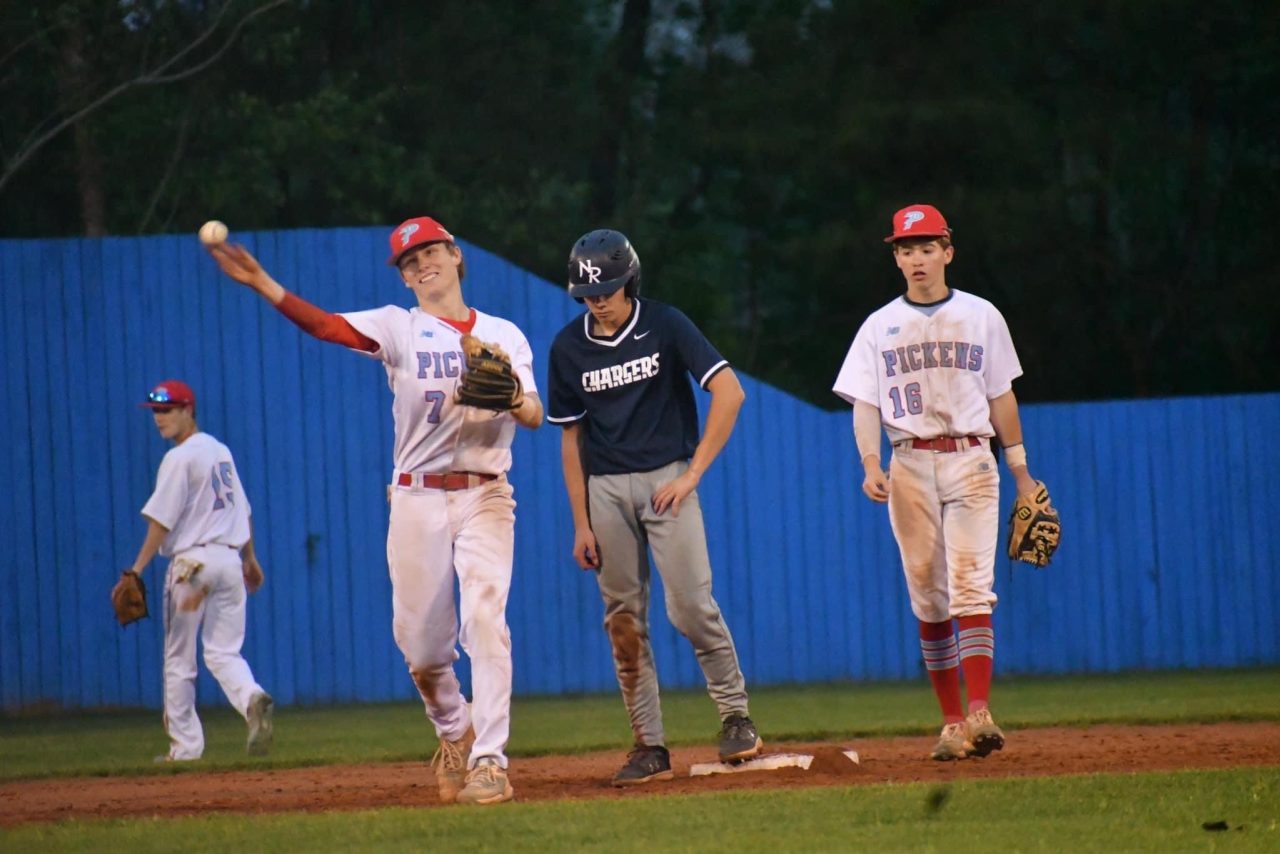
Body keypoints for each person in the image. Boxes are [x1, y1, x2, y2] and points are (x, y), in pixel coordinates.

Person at [206, 217, 541, 806]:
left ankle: (491, 760)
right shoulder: (399, 327)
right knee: (421, 649)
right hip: (415, 497)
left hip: (486, 492)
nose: (421, 264)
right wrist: (266, 284)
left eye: (431, 251)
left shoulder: (503, 333)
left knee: (486, 619)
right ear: (405, 277)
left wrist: (512, 395)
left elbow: (535, 413)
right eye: (410, 261)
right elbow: (329, 327)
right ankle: (453, 731)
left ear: (456, 255)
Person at [547, 229, 762, 787]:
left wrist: (692, 473)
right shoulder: (568, 348)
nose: (599, 300)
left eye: (610, 289)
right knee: (623, 620)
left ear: (631, 281)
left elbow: (731, 391)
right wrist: (580, 522)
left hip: (668, 477)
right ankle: (649, 745)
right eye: (589, 293)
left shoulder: (665, 324)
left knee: (690, 608)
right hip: (605, 491)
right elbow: (570, 440)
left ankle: (736, 716)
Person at [833, 203, 1042, 761]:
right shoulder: (879, 326)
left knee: (972, 584)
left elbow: (1002, 397)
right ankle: (951, 724)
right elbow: (864, 402)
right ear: (896, 258)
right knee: (928, 594)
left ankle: (979, 712)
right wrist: (870, 464)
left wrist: (1020, 472)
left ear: (948, 252)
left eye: (928, 247)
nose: (918, 258)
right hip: (907, 464)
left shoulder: (981, 316)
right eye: (907, 249)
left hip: (973, 459)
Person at [127, 379, 274, 762]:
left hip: (192, 569)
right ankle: (251, 697)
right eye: (156, 411)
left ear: (188, 410)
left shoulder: (180, 458)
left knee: (179, 658)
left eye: (168, 410)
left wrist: (136, 569)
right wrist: (249, 558)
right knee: (224, 652)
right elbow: (243, 510)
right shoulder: (219, 451)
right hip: (227, 564)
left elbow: (161, 520)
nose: (160, 418)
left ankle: (186, 749)